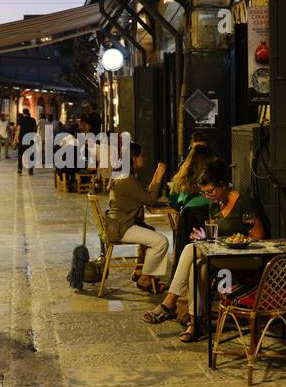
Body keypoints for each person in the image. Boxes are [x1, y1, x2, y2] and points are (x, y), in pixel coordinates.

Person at [143, 158, 264, 342]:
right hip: (220, 255)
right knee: (197, 267)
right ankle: (195, 324)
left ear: (223, 185)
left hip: (245, 257)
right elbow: (214, 234)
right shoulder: (214, 205)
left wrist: (235, 241)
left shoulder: (243, 202)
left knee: (191, 250)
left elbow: (258, 236)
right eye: (205, 192)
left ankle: (170, 303)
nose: (208, 195)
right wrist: (204, 236)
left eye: (210, 191)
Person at [98, 142, 169, 292]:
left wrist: (156, 177)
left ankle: (139, 270)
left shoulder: (124, 176)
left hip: (117, 224)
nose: (145, 158)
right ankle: (145, 278)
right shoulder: (126, 179)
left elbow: (143, 196)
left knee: (149, 230)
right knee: (161, 242)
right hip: (121, 227)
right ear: (133, 158)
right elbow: (150, 200)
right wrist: (158, 178)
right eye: (142, 155)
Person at [16, 108, 38, 176]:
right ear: (28, 113)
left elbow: (18, 129)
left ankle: (20, 169)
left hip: (22, 139)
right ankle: (30, 170)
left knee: (20, 155)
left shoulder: (21, 119)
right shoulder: (33, 120)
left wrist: (16, 139)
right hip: (30, 139)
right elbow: (35, 129)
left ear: (23, 113)